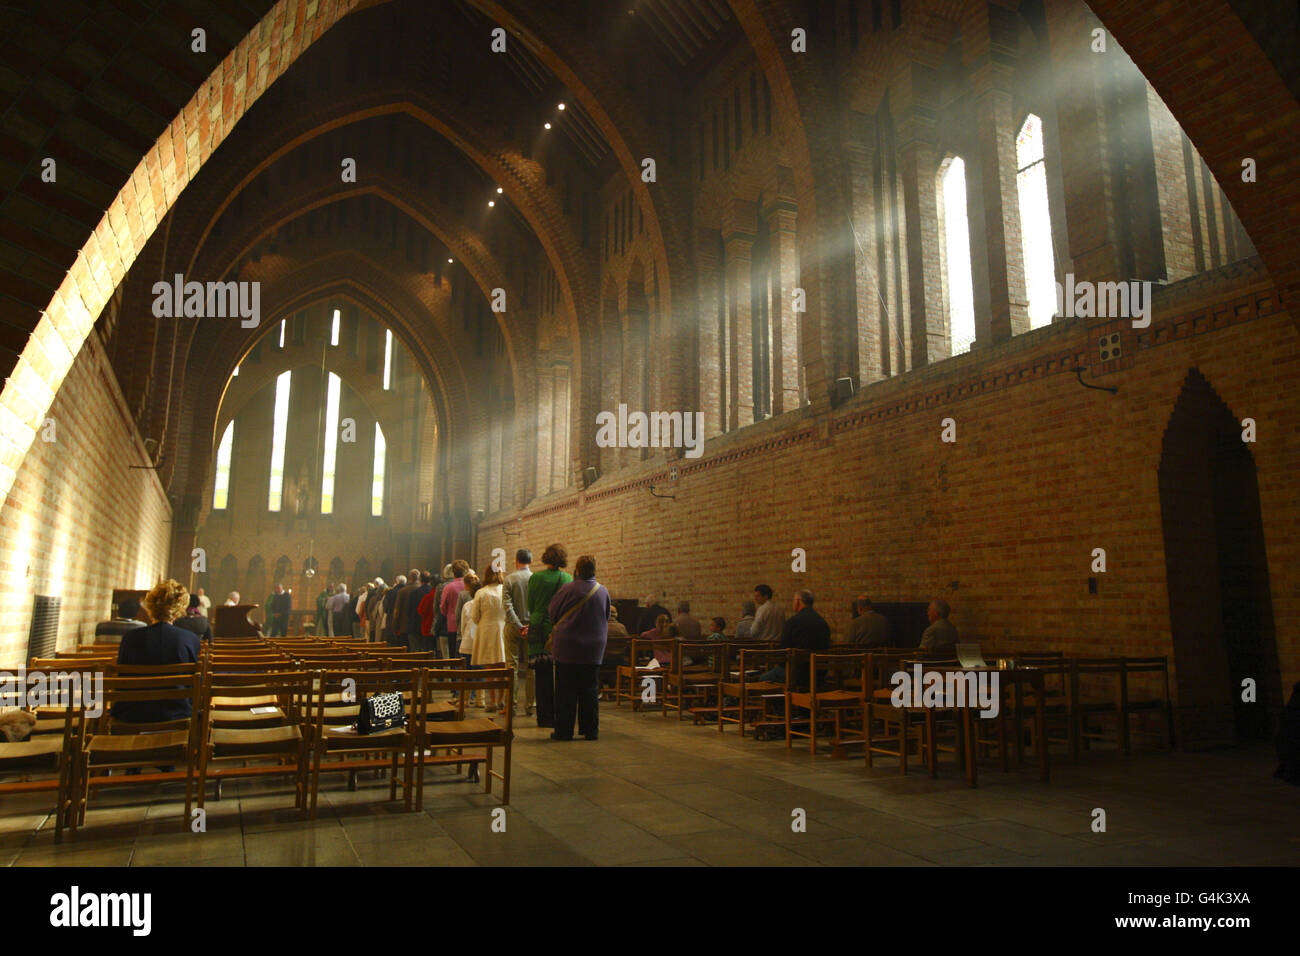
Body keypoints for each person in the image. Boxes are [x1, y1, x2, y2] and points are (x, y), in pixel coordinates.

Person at [114, 579, 201, 725]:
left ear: (151, 605)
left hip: (133, 713)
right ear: (179, 608)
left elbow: (122, 679)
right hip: (177, 713)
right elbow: (193, 684)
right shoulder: (190, 639)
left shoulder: (131, 638)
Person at [548, 555, 610, 741]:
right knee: (590, 690)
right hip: (593, 649)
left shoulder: (568, 589)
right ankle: (591, 730)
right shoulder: (602, 591)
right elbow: (606, 616)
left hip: (568, 647)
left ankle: (564, 731)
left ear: (577, 570)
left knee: (565, 691)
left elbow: (553, 613)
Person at [526, 544, 572, 729]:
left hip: (538, 627)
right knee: (561, 673)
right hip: (559, 627)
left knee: (542, 674)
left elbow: (530, 604)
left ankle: (544, 717)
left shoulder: (536, 577)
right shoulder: (567, 578)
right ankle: (559, 714)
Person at [758, 589, 830, 683]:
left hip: (797, 673)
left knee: (763, 679)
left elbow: (784, 649)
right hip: (819, 674)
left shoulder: (793, 622)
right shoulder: (823, 623)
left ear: (797, 602)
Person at [471, 566, 508, 713]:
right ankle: (502, 700)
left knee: (489, 669)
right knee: (503, 668)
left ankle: (491, 701)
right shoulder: (505, 590)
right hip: (503, 628)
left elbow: (474, 616)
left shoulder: (481, 592)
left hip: (486, 630)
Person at [501, 550, 533, 716]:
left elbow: (507, 605)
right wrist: (528, 625)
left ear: (516, 561)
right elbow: (537, 606)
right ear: (531, 561)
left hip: (513, 626)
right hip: (531, 627)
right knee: (530, 667)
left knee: (511, 666)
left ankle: (510, 706)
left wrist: (518, 625)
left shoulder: (509, 579)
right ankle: (530, 705)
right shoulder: (535, 579)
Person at [458, 572, 482, 706]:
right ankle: (480, 699)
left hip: (467, 641)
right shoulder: (484, 604)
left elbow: (462, 626)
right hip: (480, 642)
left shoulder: (467, 605)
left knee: (466, 672)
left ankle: (465, 700)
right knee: (479, 672)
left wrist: (464, 635)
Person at [439, 560, 471, 657]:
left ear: (453, 572)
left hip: (453, 624)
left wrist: (448, 613)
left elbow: (443, 607)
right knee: (468, 655)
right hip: (469, 623)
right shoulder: (470, 586)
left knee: (453, 654)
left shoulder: (449, 587)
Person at [392, 568, 422, 648]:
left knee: (406, 650)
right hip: (421, 625)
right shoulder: (423, 589)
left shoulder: (403, 591)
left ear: (409, 577)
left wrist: (395, 626)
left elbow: (397, 610)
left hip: (404, 625)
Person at [381, 575, 405, 645]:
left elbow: (385, 607)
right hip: (405, 624)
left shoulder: (390, 592)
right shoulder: (409, 591)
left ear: (397, 582)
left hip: (392, 620)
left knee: (392, 644)